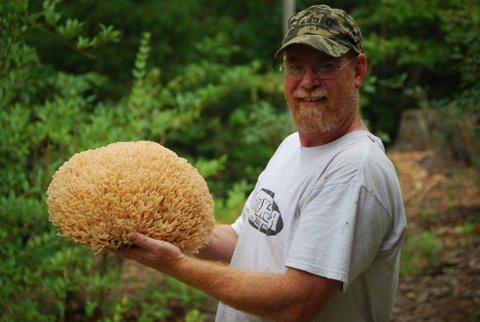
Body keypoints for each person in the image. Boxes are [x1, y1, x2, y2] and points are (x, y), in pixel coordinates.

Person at [111, 4, 407, 321]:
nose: (308, 82)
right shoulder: (292, 146)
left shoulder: (354, 170)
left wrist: (176, 264)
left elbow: (295, 303)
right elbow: (246, 241)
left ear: (358, 70)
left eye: (324, 66)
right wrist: (159, 227)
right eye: (296, 67)